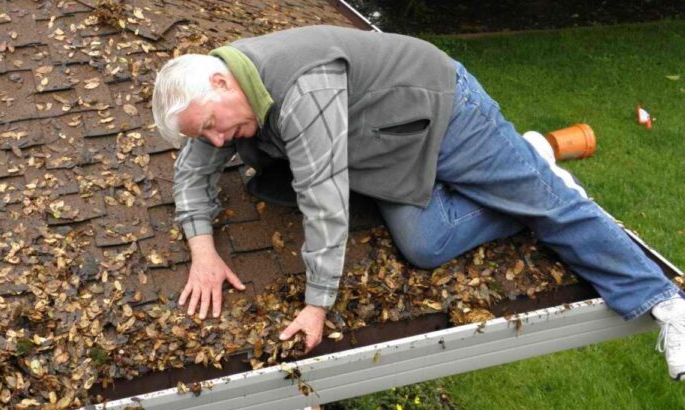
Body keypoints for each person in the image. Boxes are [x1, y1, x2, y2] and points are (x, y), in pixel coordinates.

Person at [152, 25, 685, 380]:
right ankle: (529, 157)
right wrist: (202, 251)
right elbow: (192, 176)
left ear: (221, 82)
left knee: (549, 209)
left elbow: (324, 197)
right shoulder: (219, 100)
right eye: (204, 134)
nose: (218, 143)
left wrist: (317, 306)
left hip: (442, 112)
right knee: (427, 243)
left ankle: (664, 303)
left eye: (212, 127)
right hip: (382, 145)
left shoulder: (301, 90)